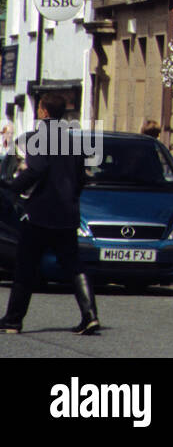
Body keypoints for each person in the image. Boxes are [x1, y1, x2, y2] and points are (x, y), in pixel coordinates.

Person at [0, 92, 99, 334]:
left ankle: (13, 320)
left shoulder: (39, 138)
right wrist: (72, 197)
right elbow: (82, 177)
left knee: (25, 266)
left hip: (41, 213)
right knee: (74, 265)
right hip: (67, 212)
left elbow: (36, 170)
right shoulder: (73, 141)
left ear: (43, 111)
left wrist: (14, 187)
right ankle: (90, 315)